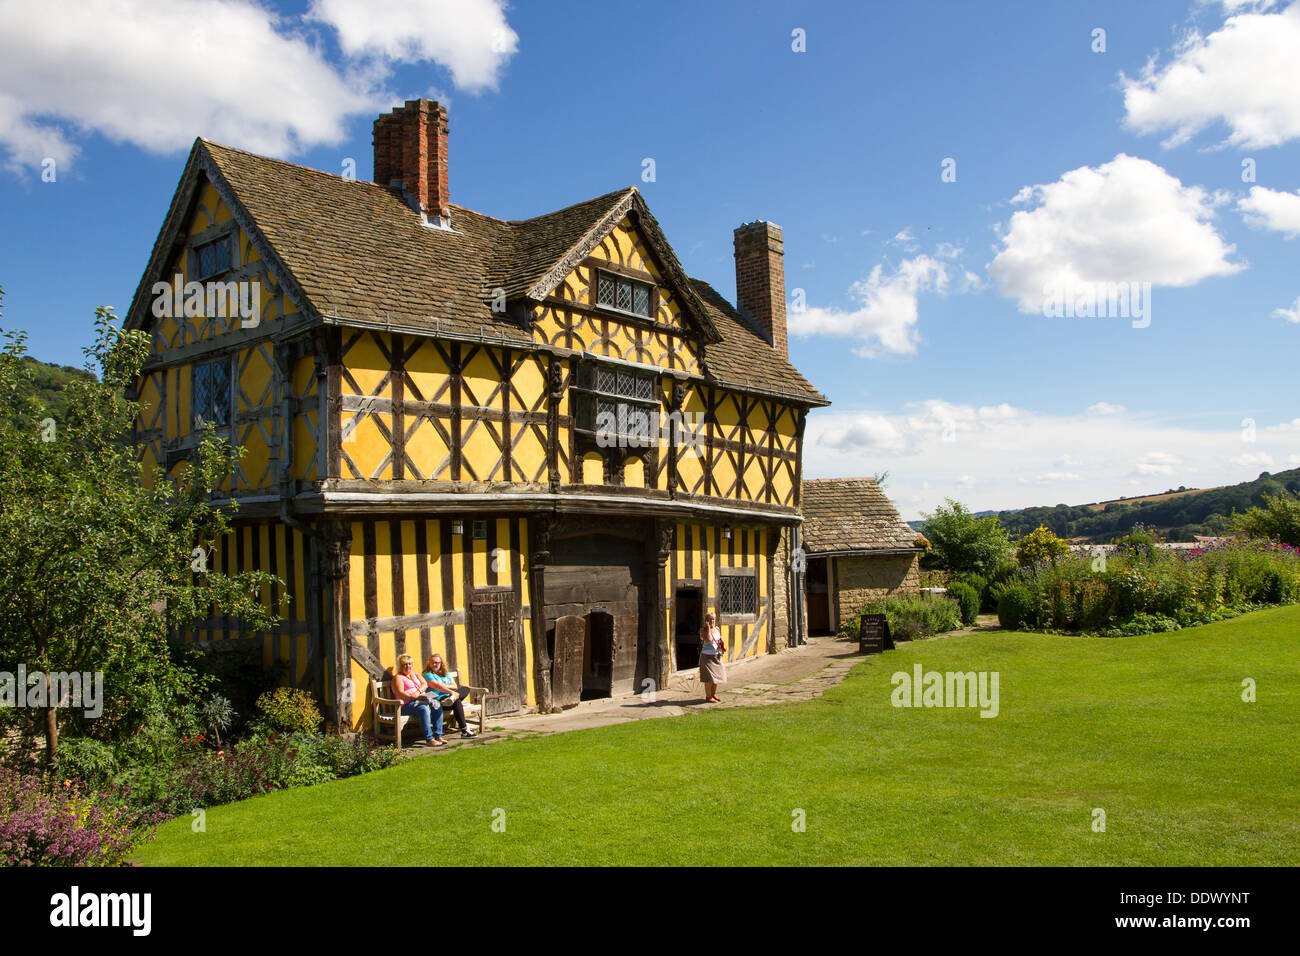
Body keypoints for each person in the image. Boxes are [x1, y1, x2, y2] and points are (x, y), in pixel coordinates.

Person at [392, 653, 444, 746]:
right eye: (405, 664)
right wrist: (414, 697)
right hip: (406, 705)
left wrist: (418, 692)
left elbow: (425, 684)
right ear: (400, 666)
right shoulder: (398, 677)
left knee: (437, 704)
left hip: (421, 699)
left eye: (409, 664)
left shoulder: (415, 674)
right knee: (423, 709)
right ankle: (429, 739)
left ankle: (438, 735)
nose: (408, 666)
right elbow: (400, 693)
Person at [423, 653, 477, 739]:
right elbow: (435, 686)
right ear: (429, 663)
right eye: (432, 662)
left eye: (437, 662)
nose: (434, 664)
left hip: (450, 698)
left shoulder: (446, 674)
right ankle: (465, 731)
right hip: (439, 700)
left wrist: (447, 690)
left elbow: (454, 686)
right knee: (457, 701)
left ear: (441, 663)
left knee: (465, 689)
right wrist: (451, 691)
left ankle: (452, 699)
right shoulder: (427, 674)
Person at [698, 610, 726, 703]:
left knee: (716, 677)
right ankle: (708, 696)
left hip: (716, 656)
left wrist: (722, 647)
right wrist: (709, 628)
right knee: (709, 678)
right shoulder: (703, 631)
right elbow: (709, 639)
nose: (712, 622)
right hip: (707, 657)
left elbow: (719, 639)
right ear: (706, 621)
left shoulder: (717, 629)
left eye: (713, 619)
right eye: (709, 620)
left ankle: (713, 694)